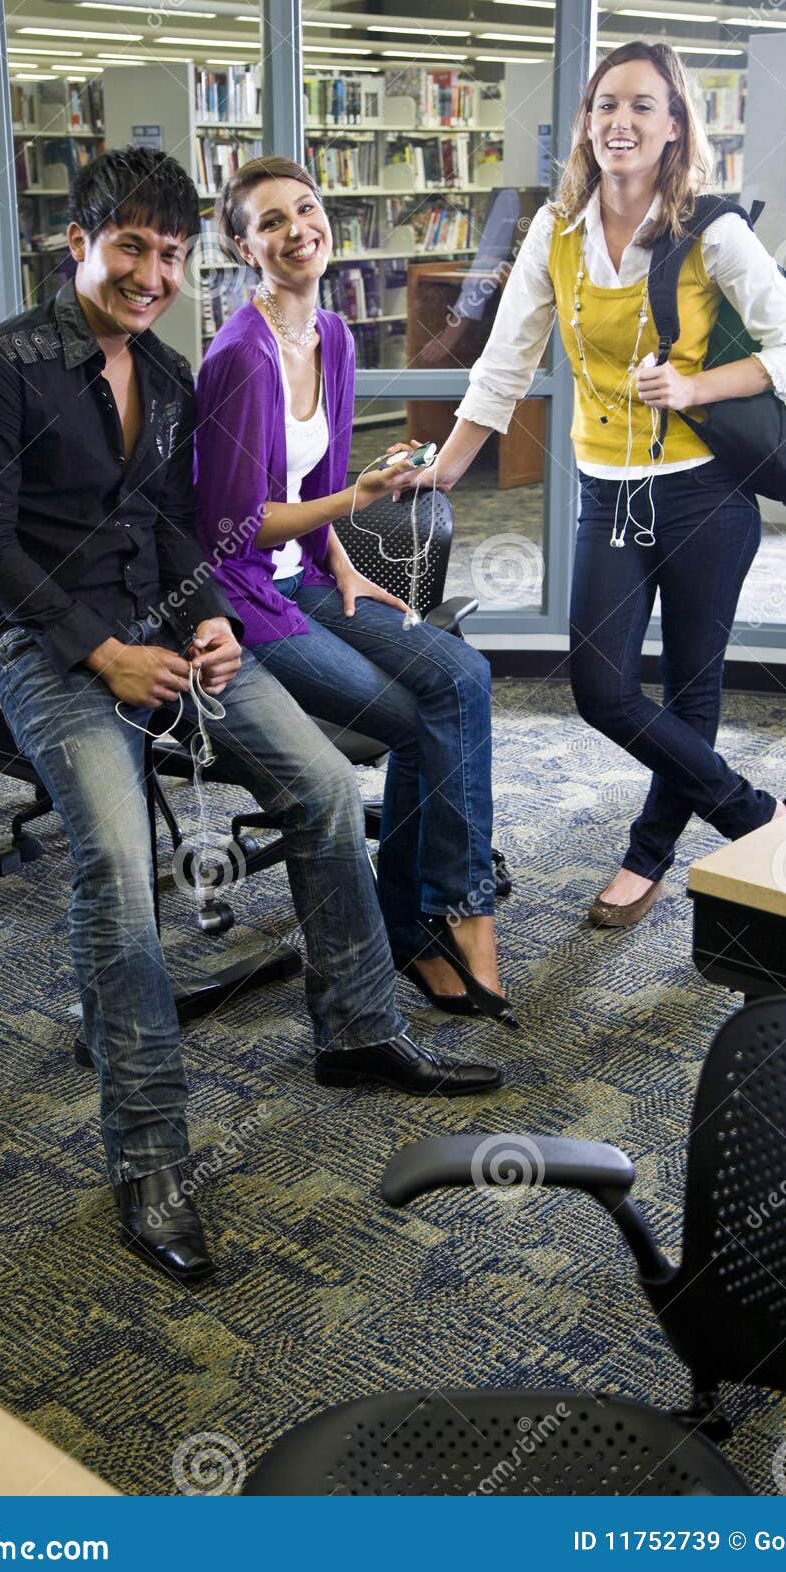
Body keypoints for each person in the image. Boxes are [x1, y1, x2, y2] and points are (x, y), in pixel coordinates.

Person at [0, 147, 503, 1292]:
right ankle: (150, 1162)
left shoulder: (169, 372)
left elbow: (176, 531)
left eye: (169, 252)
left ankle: (354, 1027)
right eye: (129, 248)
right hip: (50, 645)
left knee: (321, 789)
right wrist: (103, 649)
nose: (150, 272)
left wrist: (203, 619)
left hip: (167, 628)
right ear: (79, 246)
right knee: (114, 855)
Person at [408, 42, 786, 928]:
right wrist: (442, 470)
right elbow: (503, 364)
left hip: (703, 492)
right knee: (600, 689)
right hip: (609, 492)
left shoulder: (710, 230)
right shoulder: (554, 234)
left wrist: (697, 386)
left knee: (690, 686)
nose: (618, 122)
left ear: (674, 126)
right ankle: (754, 816)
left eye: (641, 106)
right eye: (604, 106)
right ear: (586, 124)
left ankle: (646, 856)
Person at [194, 156, 514, 1026]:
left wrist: (344, 565)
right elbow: (235, 528)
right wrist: (353, 504)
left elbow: (314, 483)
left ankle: (439, 911)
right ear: (240, 245)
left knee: (460, 680)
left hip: (310, 580)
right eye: (270, 222)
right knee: (423, 722)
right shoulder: (239, 357)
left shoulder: (332, 336)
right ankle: (437, 918)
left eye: (307, 209)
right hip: (248, 602)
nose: (298, 230)